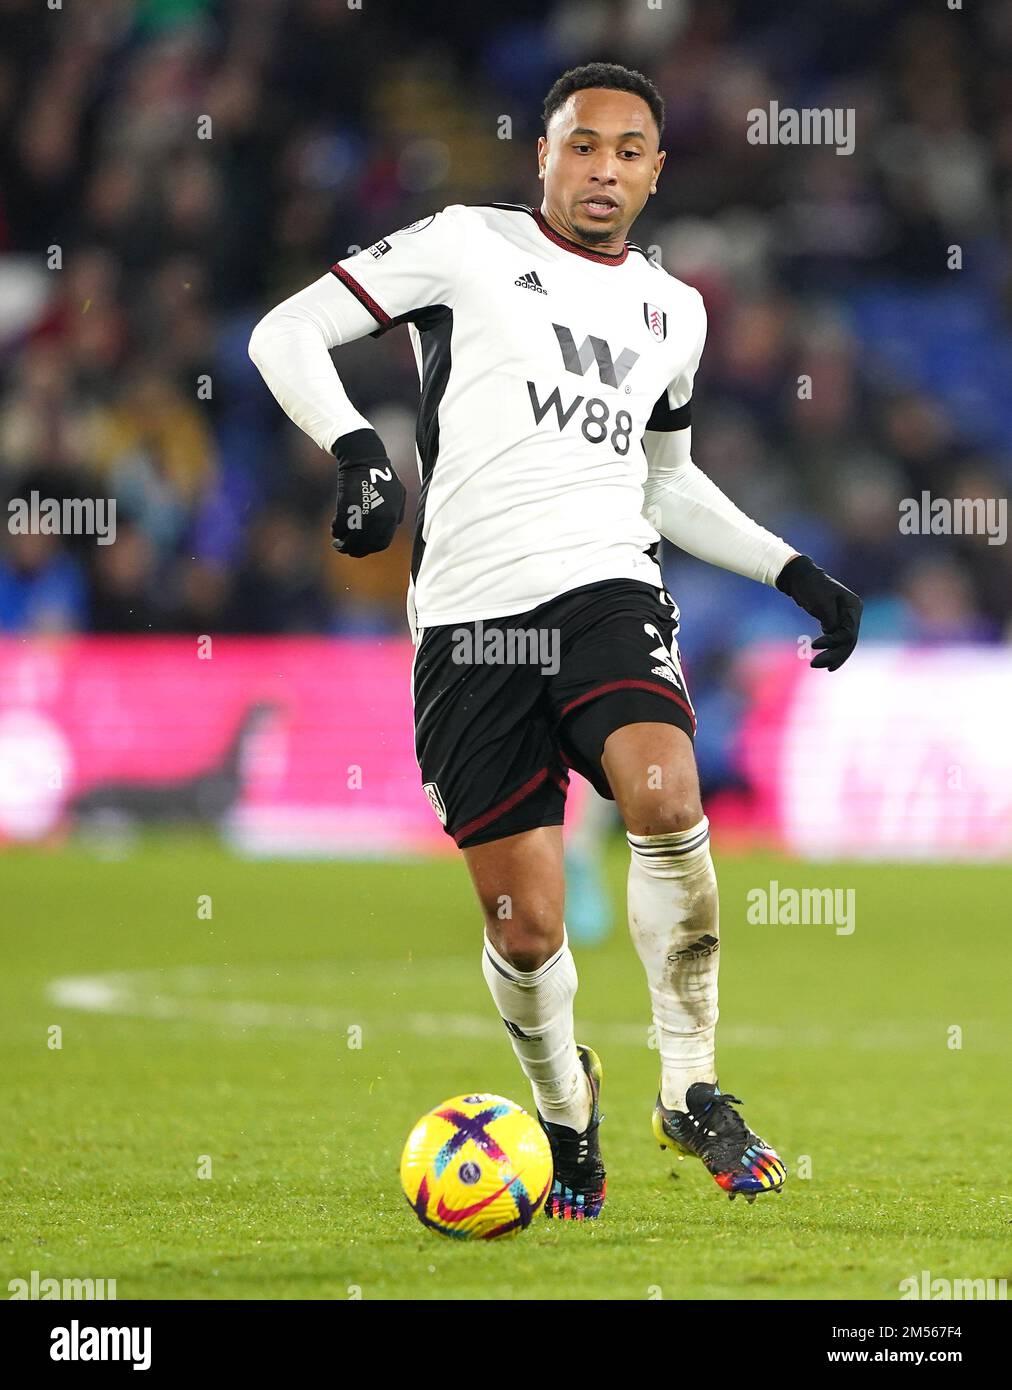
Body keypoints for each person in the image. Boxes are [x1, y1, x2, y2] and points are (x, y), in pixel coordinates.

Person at [248, 61, 863, 1219]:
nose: (604, 169)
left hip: (603, 593)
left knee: (667, 796)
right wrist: (354, 448)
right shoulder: (464, 244)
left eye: (628, 151)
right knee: (525, 929)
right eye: (583, 145)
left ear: (656, 171)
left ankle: (689, 1088)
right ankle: (566, 1113)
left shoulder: (673, 310)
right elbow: (287, 332)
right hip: (470, 626)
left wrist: (791, 567)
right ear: (543, 153)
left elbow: (665, 488)